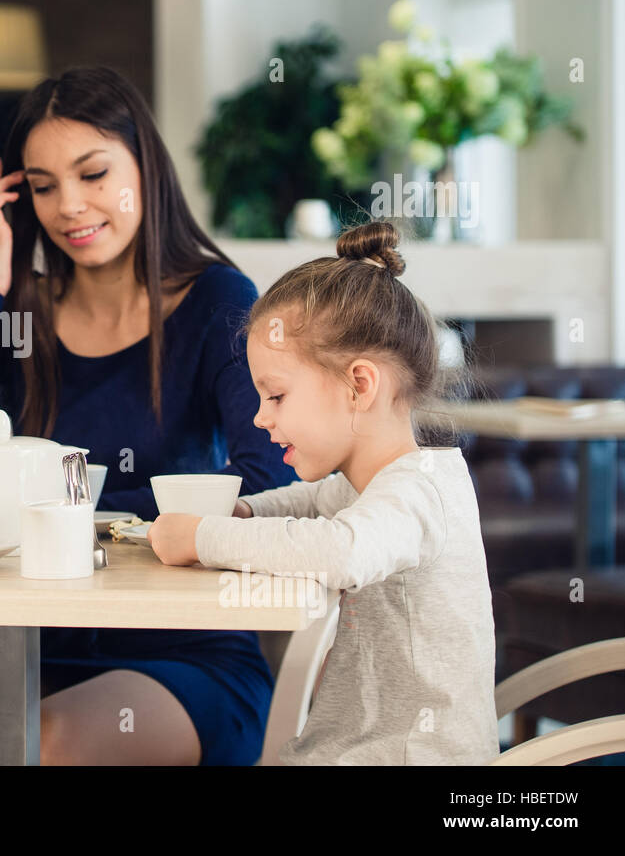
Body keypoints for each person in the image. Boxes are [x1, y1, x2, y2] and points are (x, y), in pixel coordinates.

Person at [0, 66, 297, 765]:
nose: (70, 207)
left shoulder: (218, 302)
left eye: (93, 174)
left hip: (185, 649)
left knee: (50, 742)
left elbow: (266, 477)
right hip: (39, 639)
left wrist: (64, 511)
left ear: (144, 167)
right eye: (44, 185)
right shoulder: (22, 313)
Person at [149, 221, 499, 764]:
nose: (260, 418)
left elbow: (343, 551)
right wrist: (239, 511)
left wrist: (203, 536)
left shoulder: (419, 493)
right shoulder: (374, 484)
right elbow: (308, 504)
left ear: (359, 386)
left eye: (276, 395)